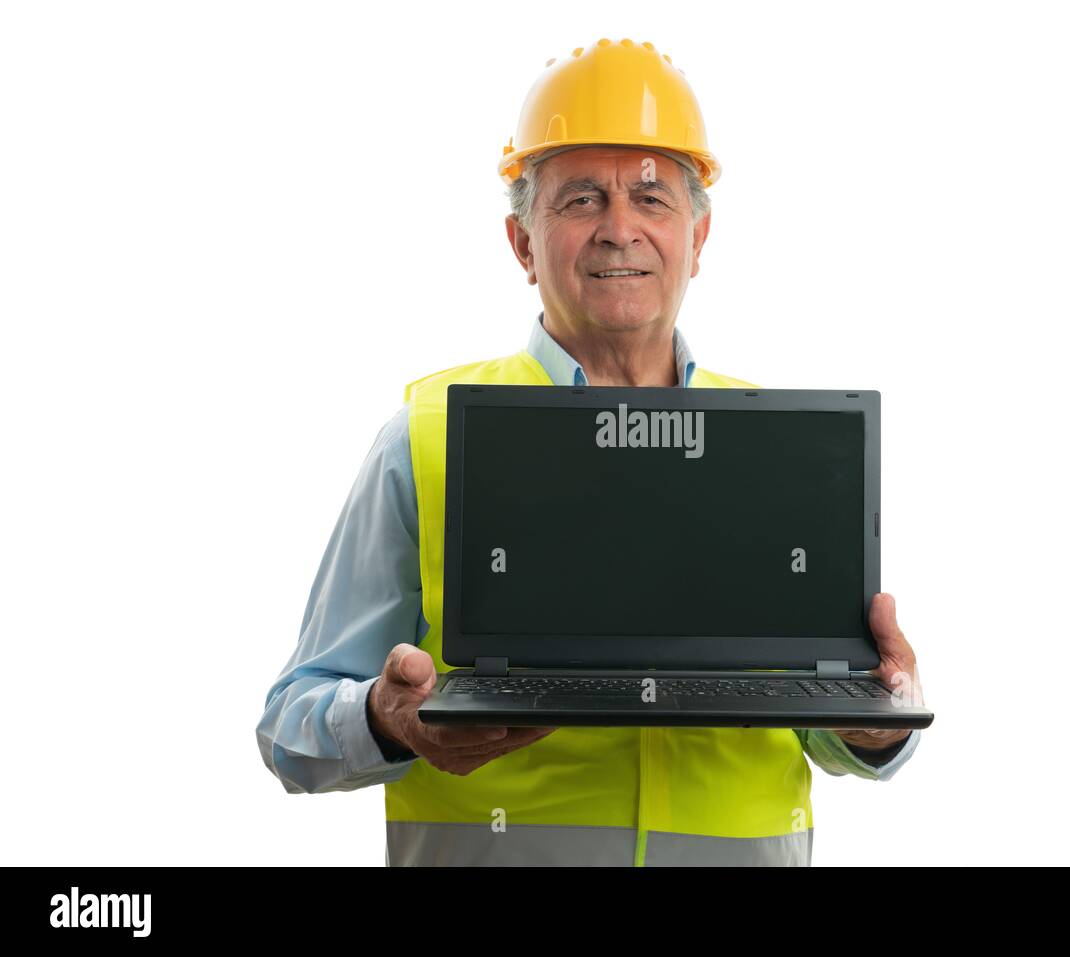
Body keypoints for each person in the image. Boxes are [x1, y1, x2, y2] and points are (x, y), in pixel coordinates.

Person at [256, 37, 923, 866]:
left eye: (651, 196)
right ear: (523, 243)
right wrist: (387, 721)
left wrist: (872, 722)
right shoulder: (425, 438)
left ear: (698, 235)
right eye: (580, 200)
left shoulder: (782, 453)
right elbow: (290, 728)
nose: (620, 231)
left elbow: (821, 726)